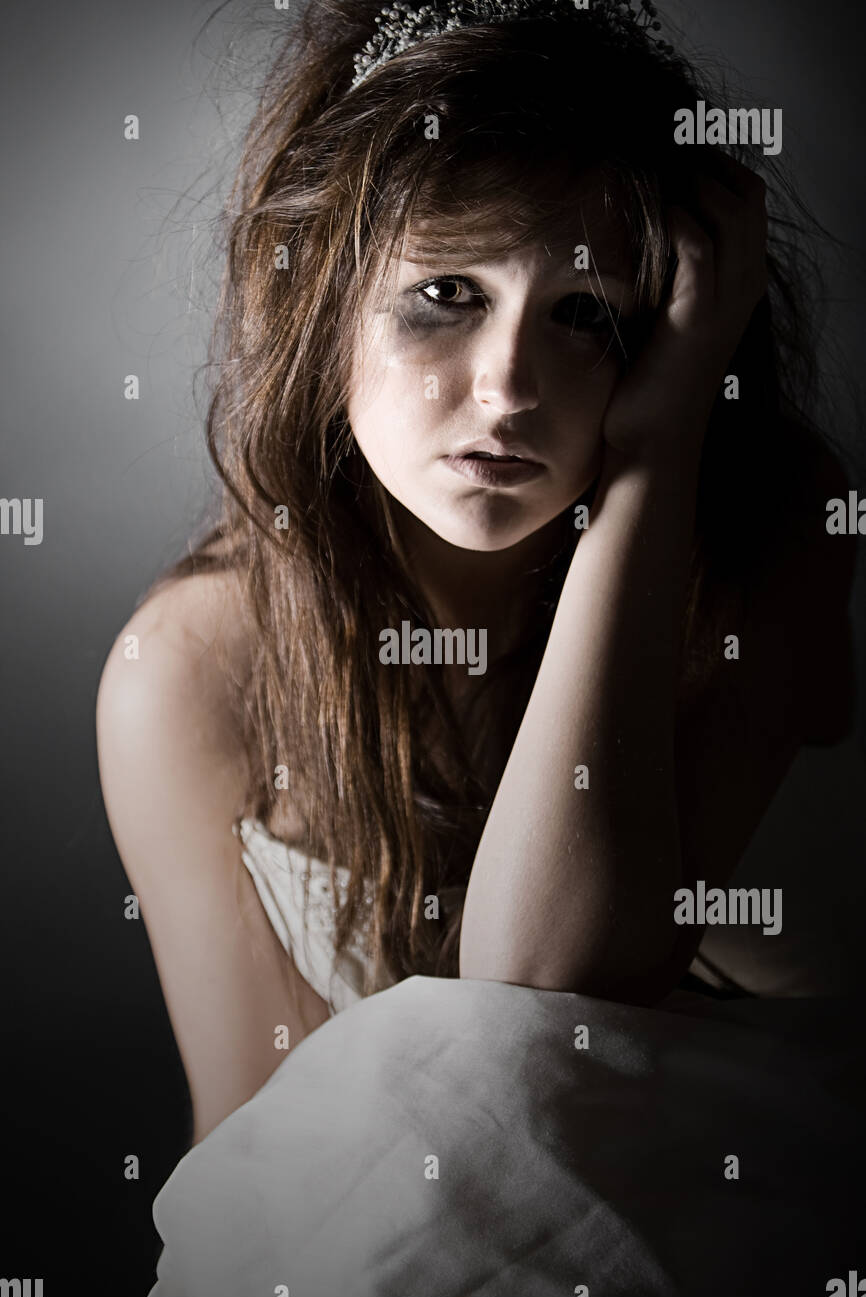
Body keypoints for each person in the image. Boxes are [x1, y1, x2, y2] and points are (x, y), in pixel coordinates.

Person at [96, 0, 857, 1151]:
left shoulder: (773, 524)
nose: (507, 388)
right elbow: (255, 1143)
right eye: (446, 294)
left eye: (583, 314)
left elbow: (549, 983)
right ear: (323, 306)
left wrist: (653, 456)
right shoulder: (197, 666)